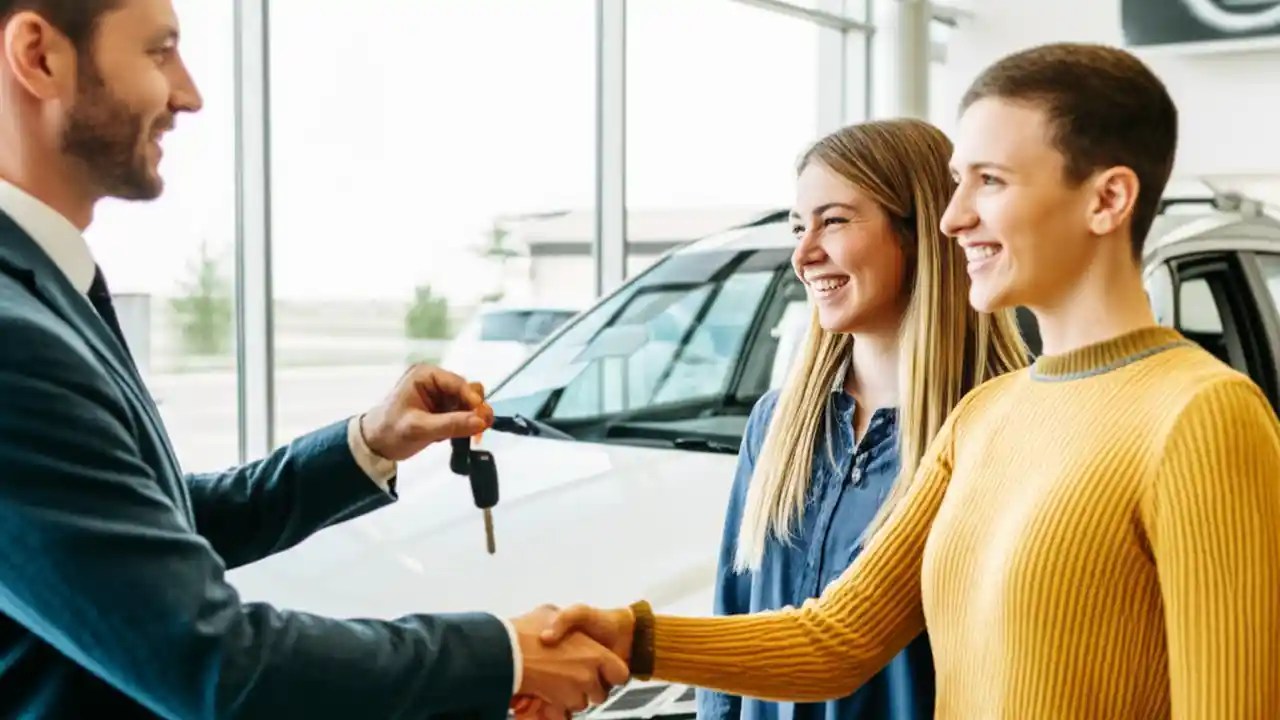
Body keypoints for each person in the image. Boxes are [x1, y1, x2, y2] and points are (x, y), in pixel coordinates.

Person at [532, 42, 1280, 719]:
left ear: (1107, 199)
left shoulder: (1205, 415)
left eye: (989, 181)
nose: (952, 219)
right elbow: (839, 638)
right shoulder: (987, 415)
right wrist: (630, 638)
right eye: (956, 184)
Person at [0, 1, 625, 718]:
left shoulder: (43, 289)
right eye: (159, 51)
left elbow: (149, 522)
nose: (189, 93)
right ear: (40, 57)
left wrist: (367, 442)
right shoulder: (12, 337)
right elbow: (215, 664)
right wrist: (506, 655)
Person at [696, 118, 1026, 720]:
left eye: (835, 220)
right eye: (799, 226)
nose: (803, 253)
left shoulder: (1007, 432)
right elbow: (733, 624)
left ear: (918, 232)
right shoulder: (777, 425)